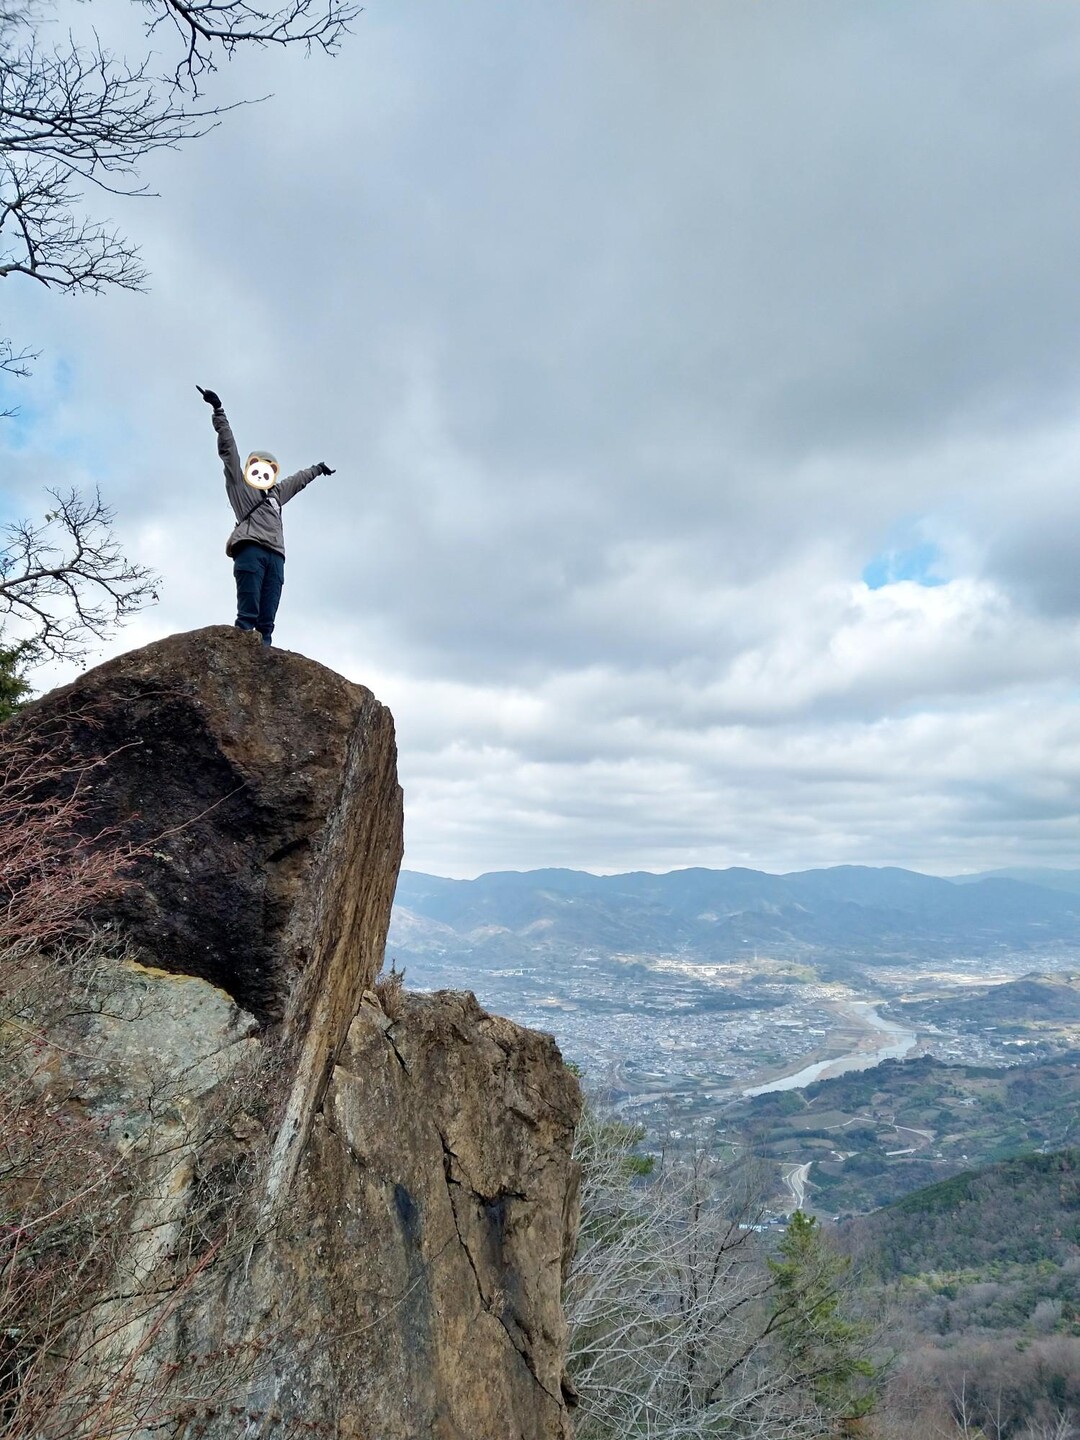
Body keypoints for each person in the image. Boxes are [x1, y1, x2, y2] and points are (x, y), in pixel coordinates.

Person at [197, 385, 335, 646]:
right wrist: (219, 411)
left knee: (267, 624)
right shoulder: (239, 485)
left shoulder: (276, 494)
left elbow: (297, 480)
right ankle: (237, 667)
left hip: (276, 557)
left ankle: (263, 671)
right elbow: (229, 450)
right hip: (251, 550)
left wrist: (317, 469)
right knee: (247, 618)